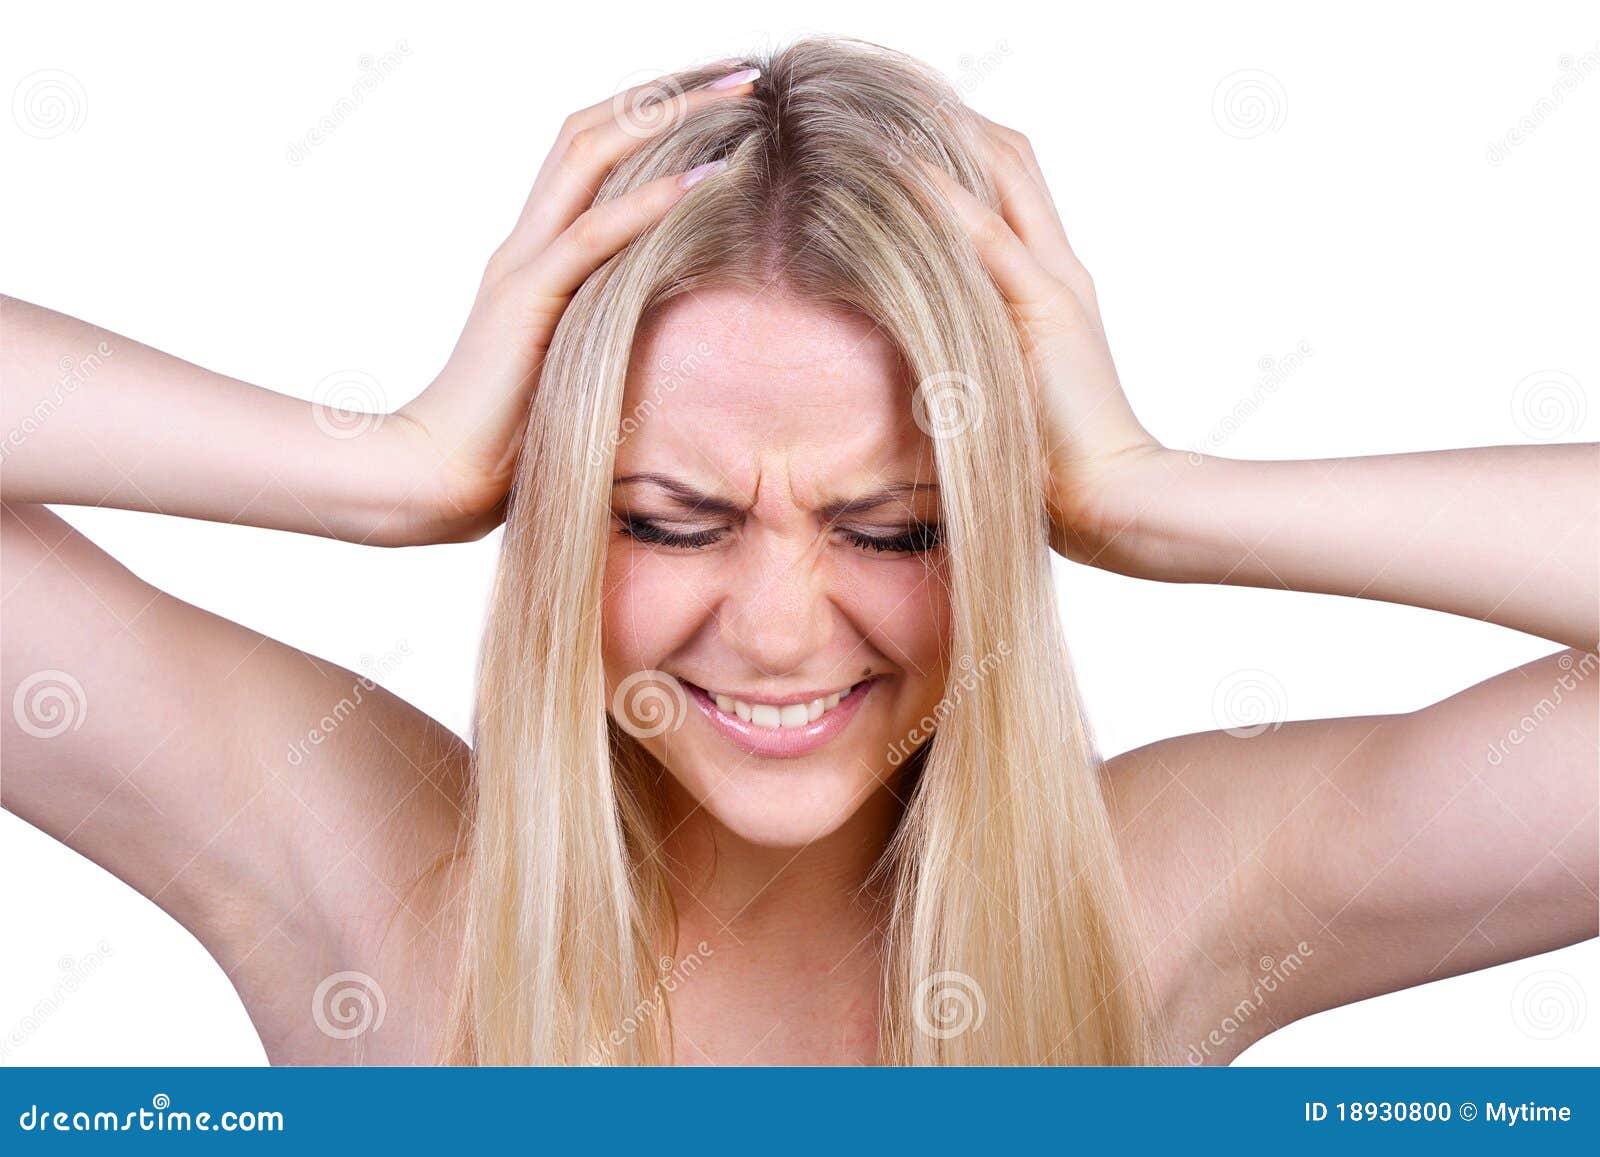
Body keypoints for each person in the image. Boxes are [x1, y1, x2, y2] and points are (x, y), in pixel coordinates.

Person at [2, 36, 1594, 1066]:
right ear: (557, 510)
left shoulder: (1156, 896)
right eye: (667, 518)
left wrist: (1153, 490)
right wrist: (389, 467)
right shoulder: (368, 871)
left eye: (896, 524)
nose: (776, 629)